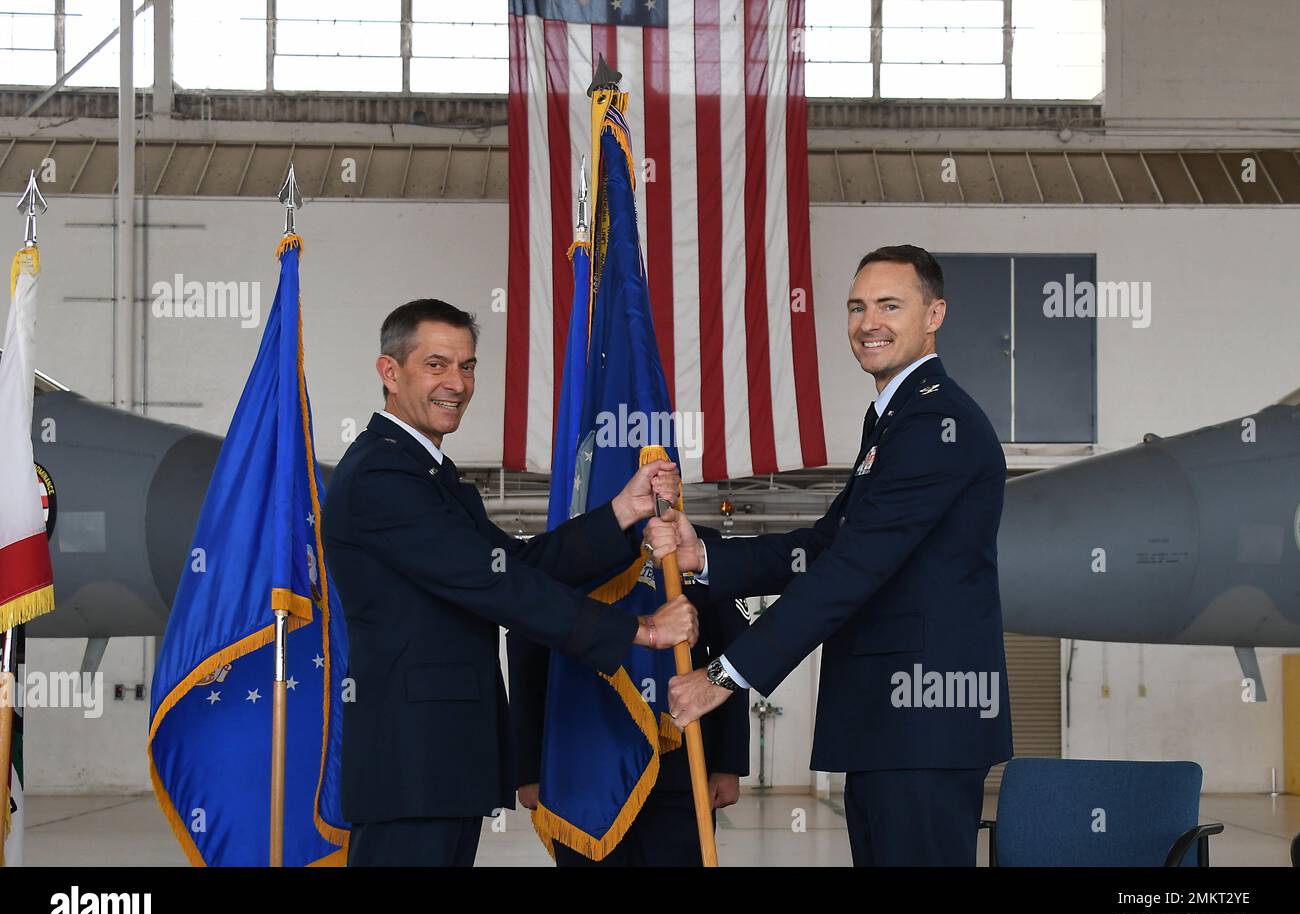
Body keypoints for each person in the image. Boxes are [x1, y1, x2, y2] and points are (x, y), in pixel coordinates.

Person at [651, 245, 1013, 866]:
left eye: (890, 305)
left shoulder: (935, 423)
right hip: (888, 724)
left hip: (924, 722)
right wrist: (705, 557)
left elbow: (851, 570)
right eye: (857, 307)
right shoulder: (896, 421)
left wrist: (724, 675)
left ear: (935, 314)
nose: (868, 321)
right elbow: (820, 548)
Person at [323, 298, 698, 866]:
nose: (457, 382)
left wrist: (622, 511)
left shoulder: (429, 474)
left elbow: (519, 566)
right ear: (390, 372)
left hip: (439, 759)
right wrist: (639, 630)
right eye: (437, 364)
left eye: (467, 366)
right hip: (411, 760)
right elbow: (494, 587)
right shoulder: (383, 472)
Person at [509, 524, 750, 867]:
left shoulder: (701, 545)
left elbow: (730, 655)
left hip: (679, 764)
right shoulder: (560, 547)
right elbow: (527, 654)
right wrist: (529, 767)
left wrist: (728, 763)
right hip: (579, 764)